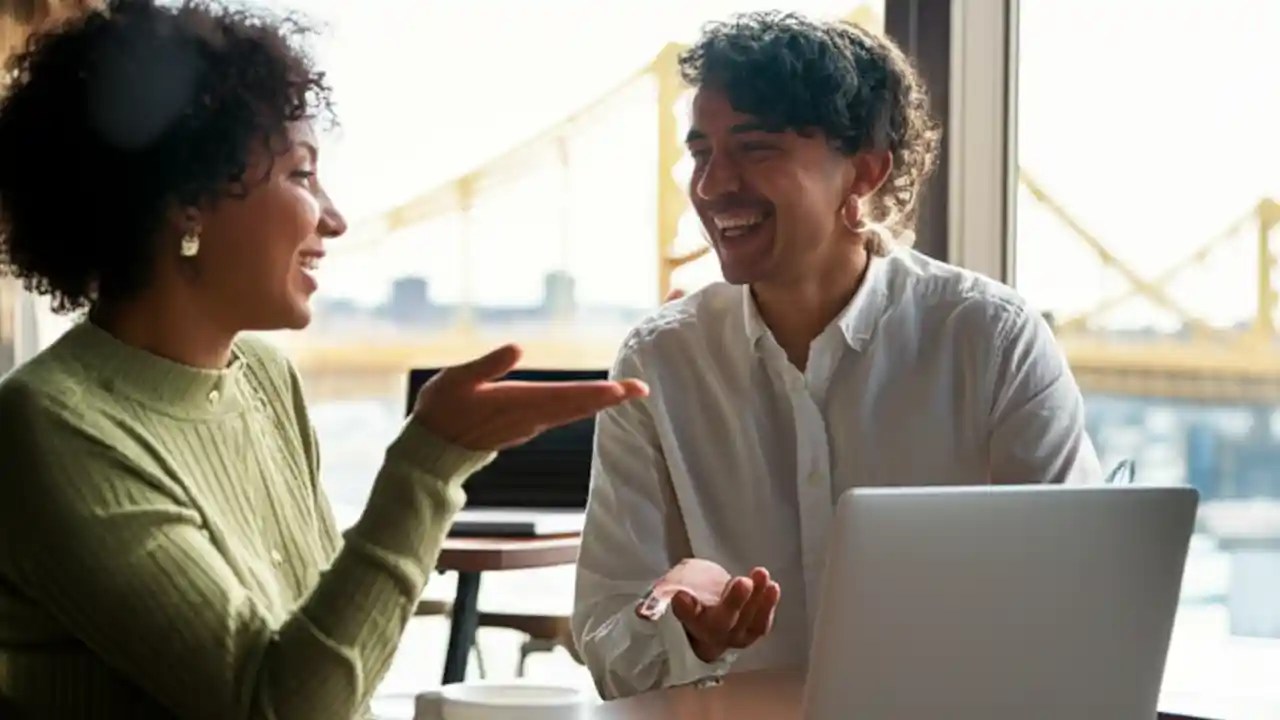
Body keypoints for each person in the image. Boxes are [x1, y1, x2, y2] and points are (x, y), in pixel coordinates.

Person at [0, 2, 646, 718]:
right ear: (187, 201)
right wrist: (429, 462)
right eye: (302, 176)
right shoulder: (49, 425)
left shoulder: (264, 378)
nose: (334, 219)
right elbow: (281, 707)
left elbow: (336, 670)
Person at [572, 11, 1102, 700]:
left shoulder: (991, 340)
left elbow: (1082, 601)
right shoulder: (658, 361)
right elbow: (607, 641)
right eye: (701, 154)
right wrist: (691, 635)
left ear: (864, 173)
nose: (711, 186)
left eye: (755, 149)